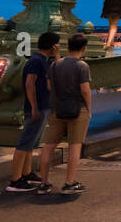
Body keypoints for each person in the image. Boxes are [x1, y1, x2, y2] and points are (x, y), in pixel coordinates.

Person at [37, 33, 92, 195]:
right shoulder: (82, 66)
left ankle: (44, 182)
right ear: (84, 48)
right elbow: (85, 90)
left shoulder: (55, 65)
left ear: (68, 47)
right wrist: (89, 109)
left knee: (48, 146)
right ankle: (69, 183)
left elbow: (49, 86)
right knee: (74, 146)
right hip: (77, 109)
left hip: (57, 109)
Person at [6, 30, 60, 192]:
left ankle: (27, 173)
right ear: (52, 46)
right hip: (37, 107)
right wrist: (34, 107)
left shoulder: (43, 60)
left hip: (42, 106)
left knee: (31, 143)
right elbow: (30, 84)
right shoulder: (36, 62)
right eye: (57, 44)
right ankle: (15, 181)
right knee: (25, 143)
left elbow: (57, 71)